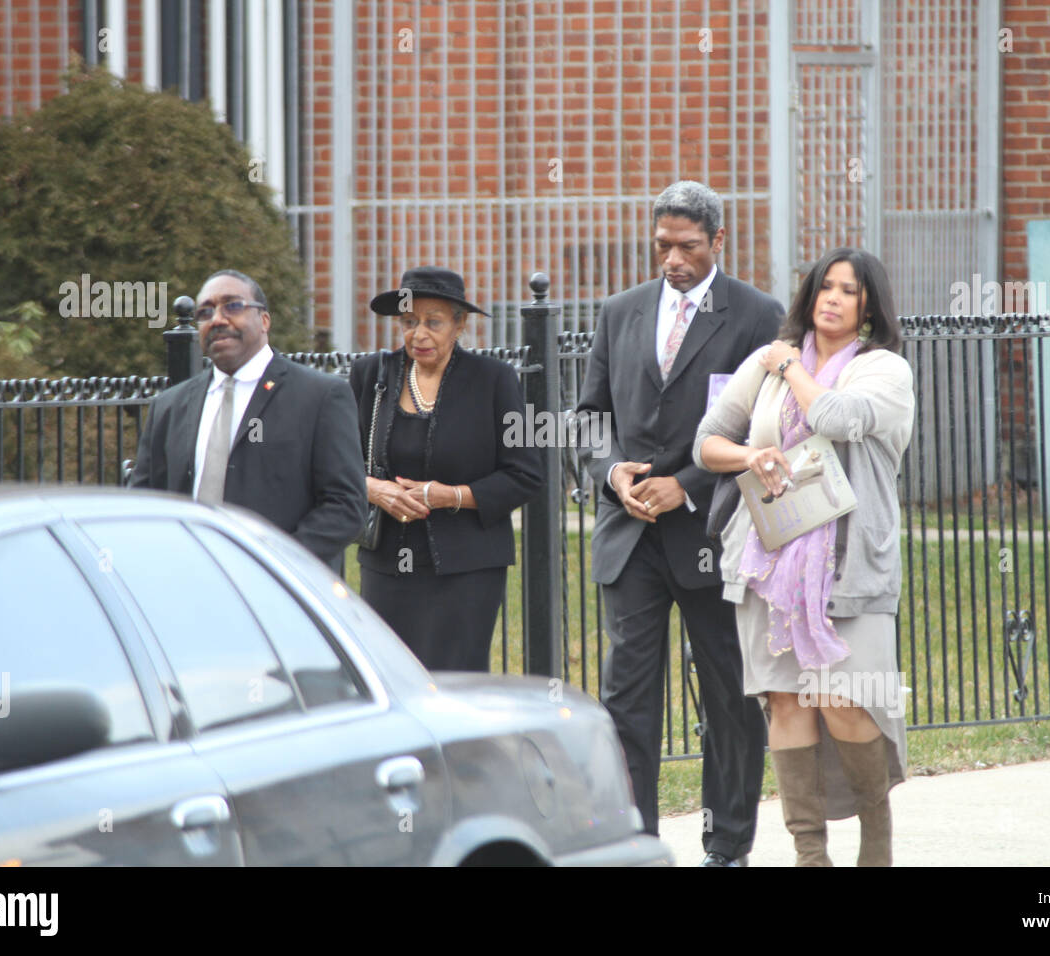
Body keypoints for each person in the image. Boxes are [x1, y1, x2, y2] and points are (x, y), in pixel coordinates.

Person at [574, 181, 783, 866]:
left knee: (728, 695)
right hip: (630, 539)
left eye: (688, 246)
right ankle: (635, 841)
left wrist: (685, 486)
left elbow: (762, 430)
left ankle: (728, 845)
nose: (673, 258)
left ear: (718, 242)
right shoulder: (620, 312)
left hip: (715, 537)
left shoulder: (756, 316)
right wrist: (613, 473)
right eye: (663, 244)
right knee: (626, 697)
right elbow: (589, 417)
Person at [694, 246, 914, 866]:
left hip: (849, 568)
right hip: (766, 564)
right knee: (787, 701)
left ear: (869, 306)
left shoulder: (885, 371)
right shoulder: (763, 366)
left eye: (849, 290)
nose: (833, 298)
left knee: (846, 699)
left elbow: (837, 418)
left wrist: (790, 366)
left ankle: (876, 847)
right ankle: (810, 857)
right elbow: (707, 439)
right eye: (824, 287)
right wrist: (750, 457)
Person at [349, 266, 542, 671]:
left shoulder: (495, 380)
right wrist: (374, 489)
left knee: (456, 683)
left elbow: (525, 474)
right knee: (391, 676)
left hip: (466, 567)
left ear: (459, 324)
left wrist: (450, 496)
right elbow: (337, 460)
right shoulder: (372, 376)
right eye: (408, 322)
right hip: (388, 563)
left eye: (433, 322)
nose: (418, 334)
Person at [130, 269, 367, 564]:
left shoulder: (320, 397)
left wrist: (273, 564)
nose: (217, 319)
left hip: (281, 590)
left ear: (264, 320)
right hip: (189, 582)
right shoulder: (169, 406)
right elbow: (144, 504)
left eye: (233, 305)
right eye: (205, 312)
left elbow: (346, 507)